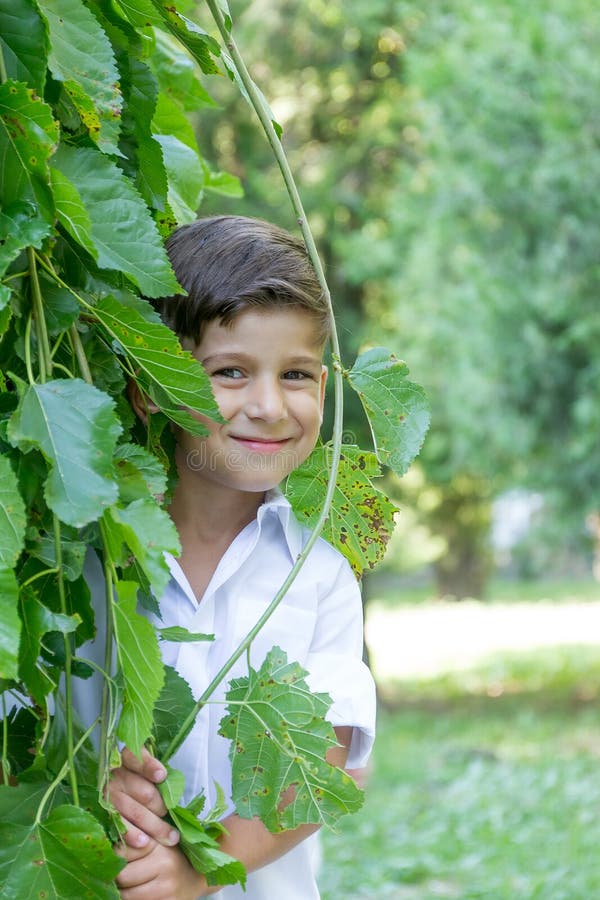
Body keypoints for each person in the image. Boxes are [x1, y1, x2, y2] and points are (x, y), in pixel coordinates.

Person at [73, 216, 376, 899]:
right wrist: (93, 789)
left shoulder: (319, 571)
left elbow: (328, 762)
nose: (269, 406)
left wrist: (199, 872)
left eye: (296, 374)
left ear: (323, 390)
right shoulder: (82, 553)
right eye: (230, 372)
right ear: (150, 383)